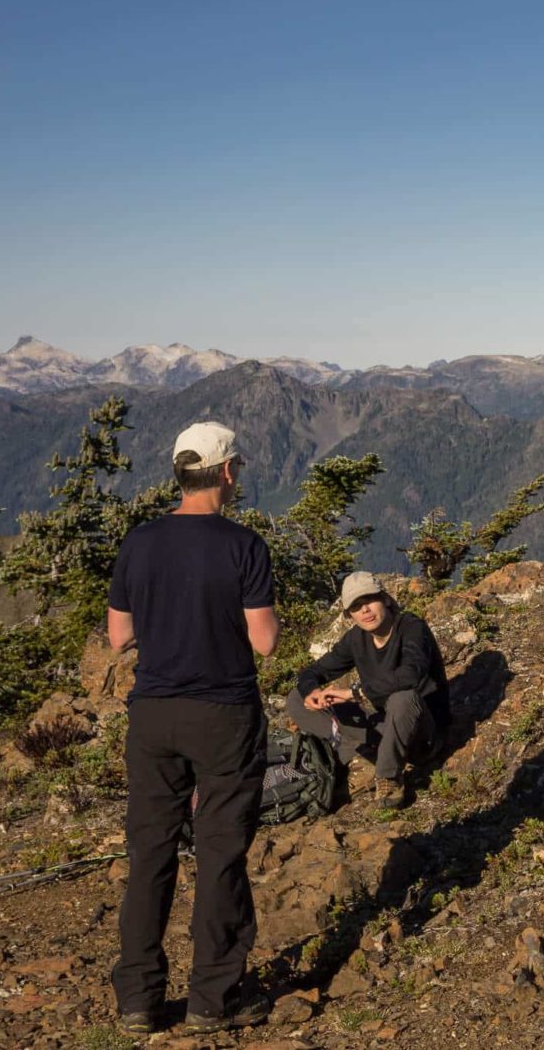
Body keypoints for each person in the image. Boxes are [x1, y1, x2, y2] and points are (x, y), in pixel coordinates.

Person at [106, 421, 278, 1034]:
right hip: (224, 713)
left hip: (153, 713)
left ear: (180, 471)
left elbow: (119, 635)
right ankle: (213, 999)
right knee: (220, 852)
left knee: (149, 852)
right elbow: (264, 643)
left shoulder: (140, 542)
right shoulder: (243, 546)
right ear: (226, 472)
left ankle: (138, 1000)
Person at [287, 572, 452, 810]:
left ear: (384, 599)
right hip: (383, 725)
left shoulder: (411, 627)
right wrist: (312, 690)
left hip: (422, 732)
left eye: (369, 601)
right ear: (350, 615)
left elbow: (410, 675)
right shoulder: (357, 638)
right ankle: (357, 753)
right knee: (296, 698)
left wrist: (355, 693)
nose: (364, 610)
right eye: (356, 606)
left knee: (403, 698)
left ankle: (388, 777)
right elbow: (313, 671)